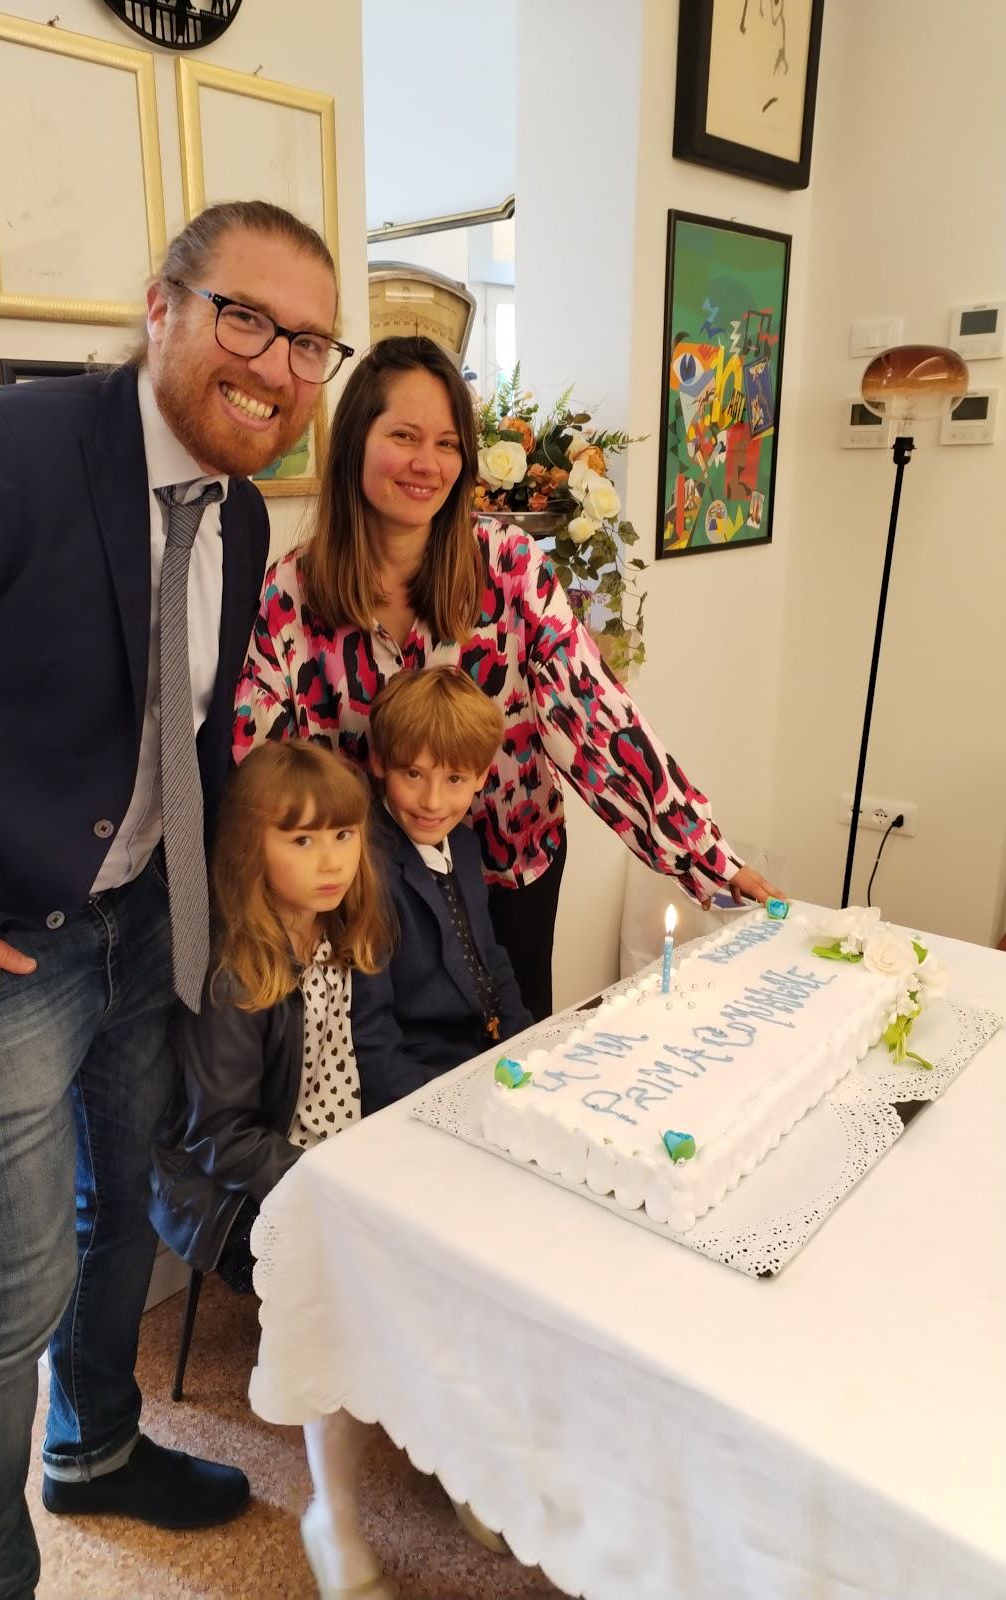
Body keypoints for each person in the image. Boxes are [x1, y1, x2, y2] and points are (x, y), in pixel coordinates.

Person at [0, 199, 354, 1600]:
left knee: (128, 1217)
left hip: (139, 929)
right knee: (7, 1293)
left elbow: (186, 730)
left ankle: (97, 1448)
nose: (279, 365)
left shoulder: (235, 509)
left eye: (311, 342)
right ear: (159, 308)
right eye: (247, 316)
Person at [233, 334, 780, 1022]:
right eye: (404, 435)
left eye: (448, 444)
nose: (426, 464)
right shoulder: (292, 591)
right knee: (389, 1083)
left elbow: (598, 721)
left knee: (515, 1064)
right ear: (354, 444)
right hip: (366, 891)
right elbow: (259, 767)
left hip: (509, 873)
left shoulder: (508, 565)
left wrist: (703, 855)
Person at [148, 741, 395, 1600]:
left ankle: (469, 1464)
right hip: (235, 1190)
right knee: (348, 1286)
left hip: (338, 1158)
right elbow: (220, 1137)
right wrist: (332, 1190)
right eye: (301, 840)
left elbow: (372, 1061)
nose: (330, 860)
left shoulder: (342, 931)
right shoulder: (237, 969)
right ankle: (333, 1516)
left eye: (344, 836)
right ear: (251, 849)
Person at [352, 666, 531, 1108]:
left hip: (486, 1069)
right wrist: (445, 1106)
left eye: (453, 780)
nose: (432, 802)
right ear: (379, 761)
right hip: (420, 1087)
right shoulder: (365, 869)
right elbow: (369, 1037)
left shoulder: (466, 847)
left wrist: (529, 1050)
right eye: (413, 774)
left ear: (481, 775)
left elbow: (491, 962)